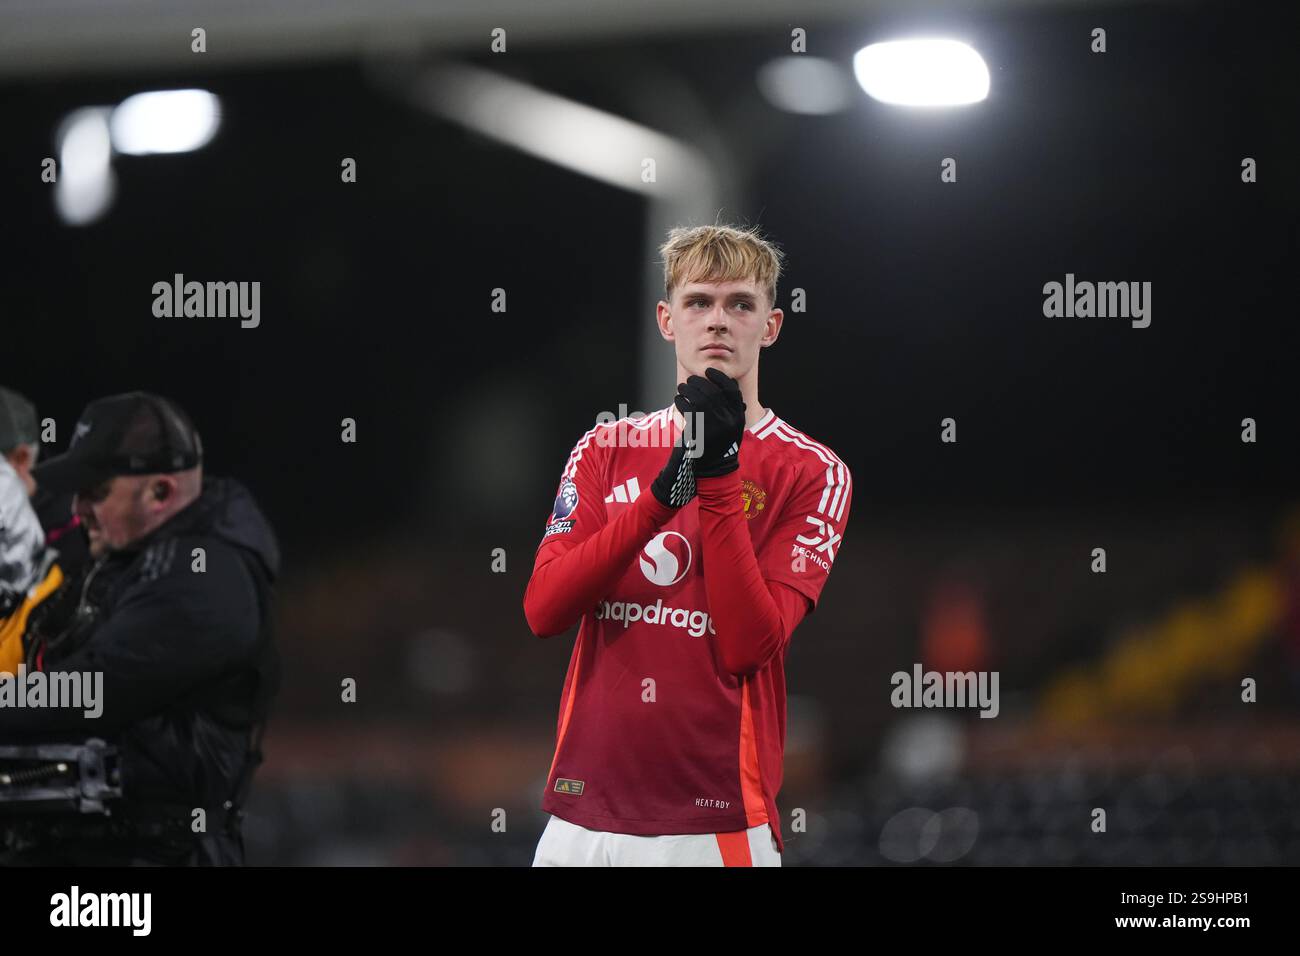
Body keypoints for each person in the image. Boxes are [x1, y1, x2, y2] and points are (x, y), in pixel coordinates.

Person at [523, 224, 853, 866]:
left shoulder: (813, 472)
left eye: (741, 304)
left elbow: (748, 645)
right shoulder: (604, 448)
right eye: (699, 302)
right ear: (666, 320)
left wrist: (719, 473)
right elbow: (544, 611)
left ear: (772, 325)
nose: (718, 322)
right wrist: (658, 500)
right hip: (578, 824)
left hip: (711, 828)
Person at [0, 392, 280, 865]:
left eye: (96, 492)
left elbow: (93, 689)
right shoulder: (127, 565)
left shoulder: (203, 576)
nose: (79, 509)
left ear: (160, 493)